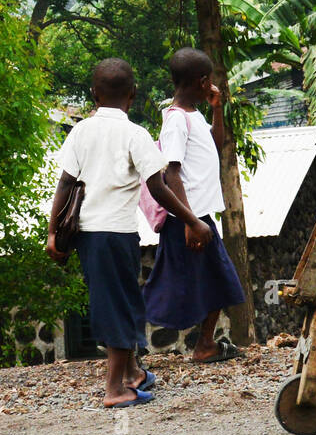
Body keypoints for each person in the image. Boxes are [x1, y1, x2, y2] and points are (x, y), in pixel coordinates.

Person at [46, 58, 212, 408]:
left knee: (116, 301)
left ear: (93, 93)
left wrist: (51, 233)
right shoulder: (135, 134)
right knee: (118, 307)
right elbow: (159, 186)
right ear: (133, 95)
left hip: (86, 237)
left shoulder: (80, 131)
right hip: (116, 235)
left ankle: (133, 374)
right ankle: (114, 390)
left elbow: (64, 183)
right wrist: (192, 220)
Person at [142, 48, 245, 361]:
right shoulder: (175, 121)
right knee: (168, 287)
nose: (212, 85)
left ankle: (205, 344)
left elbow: (214, 145)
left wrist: (216, 110)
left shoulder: (195, 115)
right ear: (202, 81)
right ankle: (128, 337)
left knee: (218, 280)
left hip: (199, 216)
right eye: (210, 81)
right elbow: (171, 173)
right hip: (186, 220)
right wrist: (189, 222)